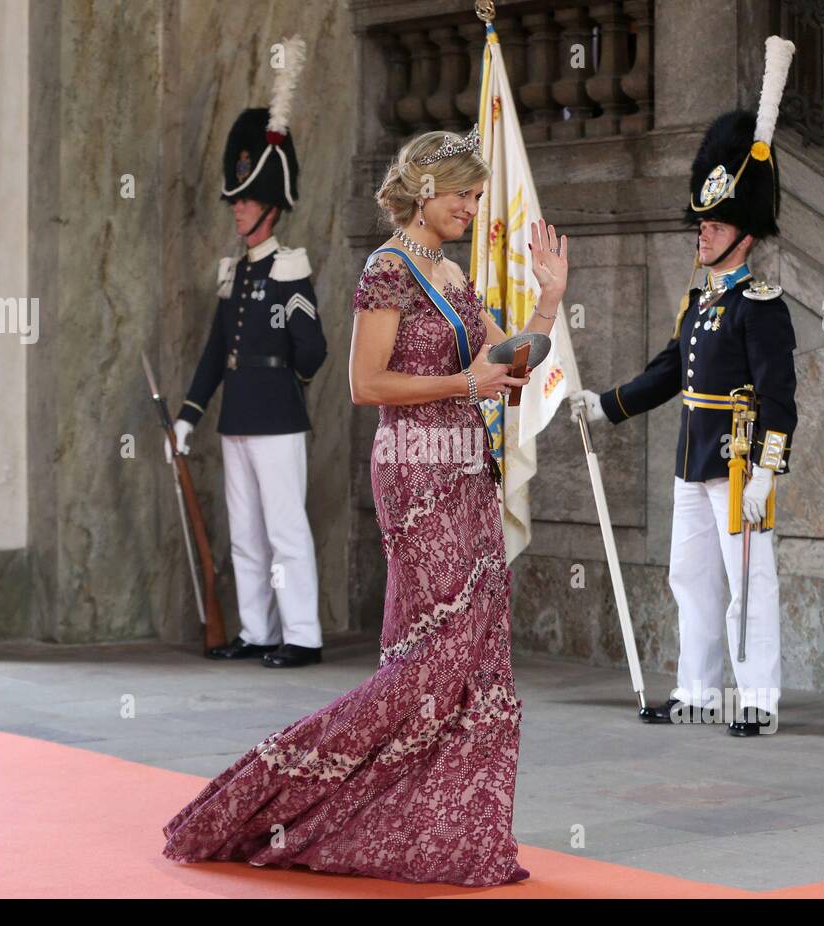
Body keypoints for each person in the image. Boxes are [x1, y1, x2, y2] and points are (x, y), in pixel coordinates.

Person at [162, 125, 569, 886]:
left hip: (468, 473)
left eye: (478, 197)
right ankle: (275, 795)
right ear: (425, 190)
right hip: (415, 474)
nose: (472, 209)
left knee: (477, 654)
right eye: (463, 195)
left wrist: (547, 303)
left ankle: (448, 831)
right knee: (433, 654)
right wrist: (466, 384)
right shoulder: (387, 270)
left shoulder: (451, 274)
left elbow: (508, 362)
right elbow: (365, 384)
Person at [569, 37, 799, 737]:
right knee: (690, 578)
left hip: (738, 463)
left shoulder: (761, 306)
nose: (703, 234)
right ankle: (698, 690)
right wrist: (607, 406)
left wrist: (767, 471)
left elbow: (780, 397)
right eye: (702, 224)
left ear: (745, 236)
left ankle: (757, 699)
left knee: (748, 581)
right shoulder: (700, 301)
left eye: (716, 225)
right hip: (692, 456)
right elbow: (671, 371)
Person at [166, 95, 327, 670]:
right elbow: (216, 352)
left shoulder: (289, 268)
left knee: (285, 530)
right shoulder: (234, 273)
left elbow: (314, 349)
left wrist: (289, 381)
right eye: (235, 200)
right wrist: (188, 416)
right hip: (236, 417)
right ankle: (258, 630)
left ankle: (302, 635)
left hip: (277, 418)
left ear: (270, 209)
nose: (237, 209)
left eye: (247, 200)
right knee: (246, 535)